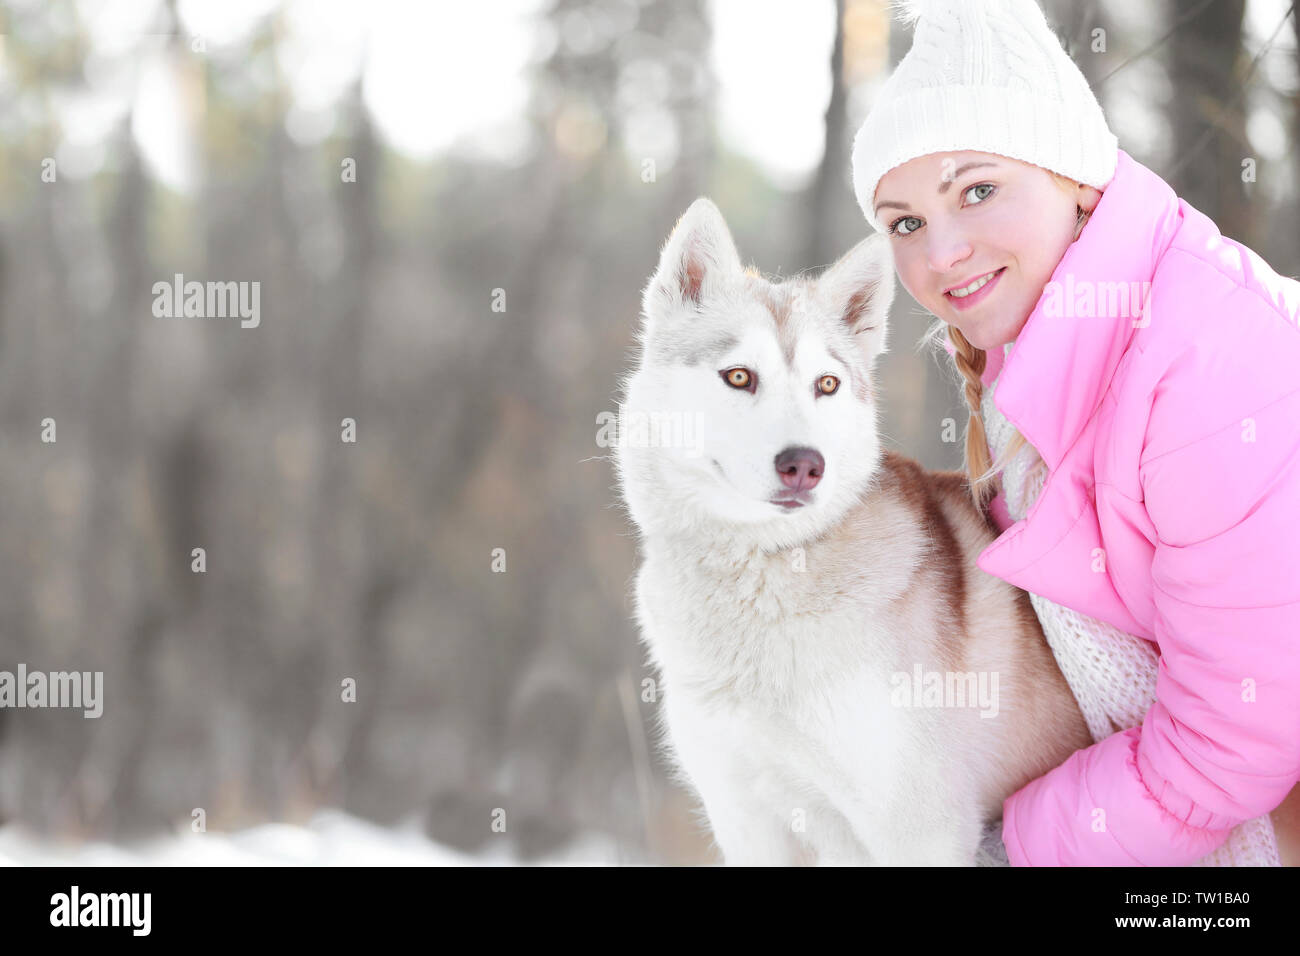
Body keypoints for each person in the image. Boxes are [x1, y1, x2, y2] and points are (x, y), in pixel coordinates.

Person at [850, 0, 1300, 865]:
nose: (939, 253)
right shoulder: (1033, 358)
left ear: (1078, 178)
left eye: (976, 190)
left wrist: (1016, 848)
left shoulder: (1207, 363)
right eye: (904, 221)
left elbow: (1236, 735)